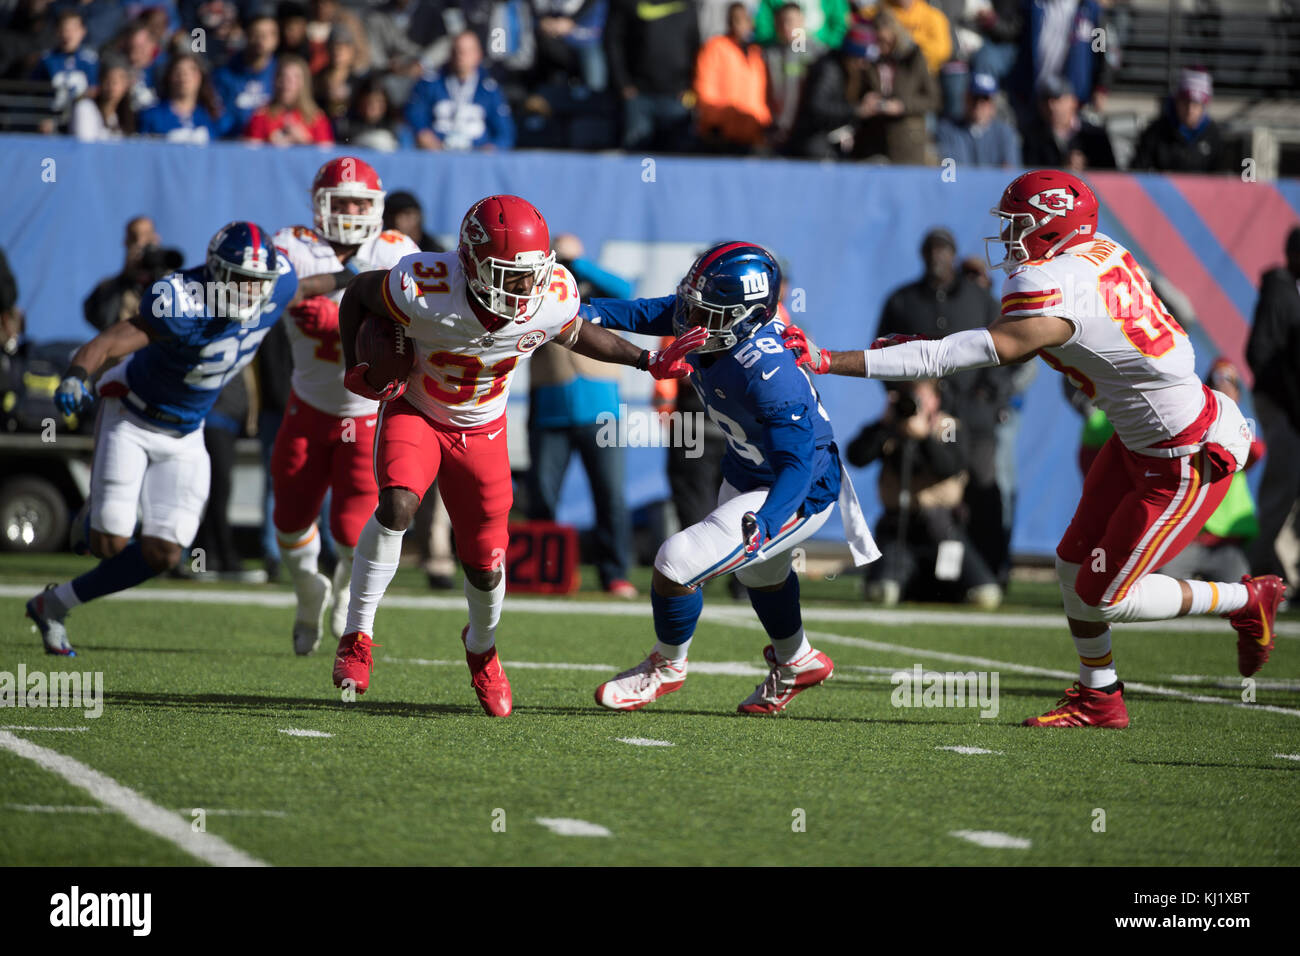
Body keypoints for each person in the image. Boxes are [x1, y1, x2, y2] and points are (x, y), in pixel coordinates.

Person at [783, 169, 1285, 728]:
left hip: (1183, 455)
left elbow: (952, 358)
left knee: (1106, 596)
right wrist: (929, 344)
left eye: (1020, 224)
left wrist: (829, 359)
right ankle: (1100, 697)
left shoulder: (1053, 288)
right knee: (1072, 563)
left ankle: (1246, 600)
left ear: (1053, 227)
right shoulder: (1096, 252)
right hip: (1137, 436)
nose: (1009, 237)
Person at [331, 194, 702, 716]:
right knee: (397, 505)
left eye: (531, 274)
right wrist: (355, 365)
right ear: (470, 263)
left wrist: (647, 359)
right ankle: (357, 635)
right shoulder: (425, 286)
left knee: (485, 564)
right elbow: (357, 298)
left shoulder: (548, 294)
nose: (524, 287)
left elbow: (576, 332)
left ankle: (482, 650)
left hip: (483, 428)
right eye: (509, 273)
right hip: (418, 408)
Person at [26, 222, 352, 656]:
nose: (250, 290)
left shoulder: (276, 288)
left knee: (164, 553)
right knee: (109, 543)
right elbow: (109, 340)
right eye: (239, 279)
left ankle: (53, 604)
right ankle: (92, 520)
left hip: (188, 430)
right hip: (134, 413)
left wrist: (368, 273)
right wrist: (76, 375)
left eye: (258, 281)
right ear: (216, 271)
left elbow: (311, 285)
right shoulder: (181, 300)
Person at [580, 242, 878, 714]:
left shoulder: (772, 374)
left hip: (795, 489)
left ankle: (667, 666)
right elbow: (637, 312)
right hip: (746, 468)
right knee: (763, 575)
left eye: (708, 309)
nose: (691, 317)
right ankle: (797, 659)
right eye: (693, 301)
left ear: (746, 316)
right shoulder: (710, 318)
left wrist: (768, 520)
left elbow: (797, 467)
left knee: (675, 562)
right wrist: (573, 309)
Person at [271, 157, 421, 654]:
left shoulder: (396, 248)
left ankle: (343, 592)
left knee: (352, 528)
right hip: (309, 403)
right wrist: (347, 283)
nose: (353, 210)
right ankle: (307, 591)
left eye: (361, 201)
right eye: (343, 202)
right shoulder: (293, 244)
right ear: (320, 206)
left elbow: (413, 321)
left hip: (366, 413)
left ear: (377, 206)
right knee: (290, 517)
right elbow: (280, 297)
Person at [526, 233, 638, 597]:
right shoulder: (536, 286)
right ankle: (542, 571)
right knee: (542, 496)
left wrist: (580, 265)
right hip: (549, 408)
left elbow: (625, 292)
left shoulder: (595, 284)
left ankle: (614, 574)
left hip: (601, 410)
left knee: (611, 497)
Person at [848, 379, 1000, 607]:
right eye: (909, 396)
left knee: (985, 596)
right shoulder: (890, 427)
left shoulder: (948, 426)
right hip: (899, 528)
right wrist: (883, 425)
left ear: (936, 400)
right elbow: (856, 457)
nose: (915, 403)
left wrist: (924, 437)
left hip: (941, 529)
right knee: (882, 593)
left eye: (921, 396)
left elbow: (949, 466)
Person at [1246, 225, 1300, 586]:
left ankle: (1279, 575)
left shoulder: (1287, 291)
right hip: (1282, 409)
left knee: (1288, 492)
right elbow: (1260, 354)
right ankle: (1260, 575)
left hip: (1287, 408)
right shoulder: (1281, 291)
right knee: (1281, 490)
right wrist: (1289, 403)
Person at [405, 30, 515, 151]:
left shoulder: (489, 89)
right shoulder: (430, 83)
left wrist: (493, 148)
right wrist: (422, 133)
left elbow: (505, 132)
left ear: (478, 55)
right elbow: (415, 115)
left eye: (467, 51)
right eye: (457, 50)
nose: (461, 55)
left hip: (477, 157)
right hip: (437, 154)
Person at [82, 217, 182, 333]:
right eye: (134, 238)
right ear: (126, 242)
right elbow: (104, 321)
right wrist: (126, 277)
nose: (141, 242)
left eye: (147, 236)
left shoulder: (176, 281)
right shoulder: (109, 288)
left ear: (156, 238)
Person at [693, 2, 770, 151]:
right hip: (721, 133)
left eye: (746, 19)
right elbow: (705, 87)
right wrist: (714, 121)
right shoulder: (715, 47)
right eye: (736, 19)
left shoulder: (757, 54)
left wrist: (763, 122)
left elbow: (761, 94)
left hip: (752, 133)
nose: (741, 24)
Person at [1132, 68, 1223, 174]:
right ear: (1176, 102)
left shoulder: (1213, 135)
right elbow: (1138, 171)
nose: (1190, 110)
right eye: (1185, 102)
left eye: (1196, 104)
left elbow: (1220, 176)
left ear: (1204, 106)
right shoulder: (1155, 133)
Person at [1021, 74, 1114, 171]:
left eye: (1057, 99)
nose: (1051, 106)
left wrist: (1087, 168)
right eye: (1045, 101)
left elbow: (1113, 174)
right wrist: (1061, 168)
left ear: (1073, 102)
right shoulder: (1031, 137)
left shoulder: (1096, 136)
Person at [212, 8, 279, 135]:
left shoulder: (281, 73)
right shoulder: (225, 74)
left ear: (276, 39)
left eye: (268, 34)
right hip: (235, 143)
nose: (262, 39)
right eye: (256, 33)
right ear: (246, 35)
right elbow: (219, 115)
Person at [935, 71, 1020, 167]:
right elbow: (950, 171)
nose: (978, 105)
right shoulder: (948, 130)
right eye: (975, 98)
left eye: (984, 99)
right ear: (966, 98)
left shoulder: (1005, 133)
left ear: (993, 104)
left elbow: (1010, 172)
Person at [137, 52, 226, 143]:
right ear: (169, 77)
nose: (184, 76)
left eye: (191, 71)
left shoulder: (212, 117)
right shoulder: (151, 116)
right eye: (178, 71)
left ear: (200, 77)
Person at [244, 53, 334, 143]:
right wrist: (269, 143)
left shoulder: (316, 118)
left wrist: (305, 140)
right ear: (276, 81)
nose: (288, 82)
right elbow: (250, 150)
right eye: (283, 76)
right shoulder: (261, 116)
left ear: (304, 83)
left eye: (295, 77)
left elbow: (326, 151)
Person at [32, 9, 99, 117]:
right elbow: (36, 93)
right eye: (64, 30)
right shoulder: (47, 60)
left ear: (83, 31)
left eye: (73, 29)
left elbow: (94, 91)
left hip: (81, 118)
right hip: (52, 116)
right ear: (57, 32)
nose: (68, 34)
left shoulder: (90, 60)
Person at [70, 56, 136, 141]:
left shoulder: (123, 116)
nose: (113, 85)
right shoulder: (85, 108)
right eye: (108, 79)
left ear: (127, 84)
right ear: (100, 81)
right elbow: (85, 148)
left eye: (120, 79)